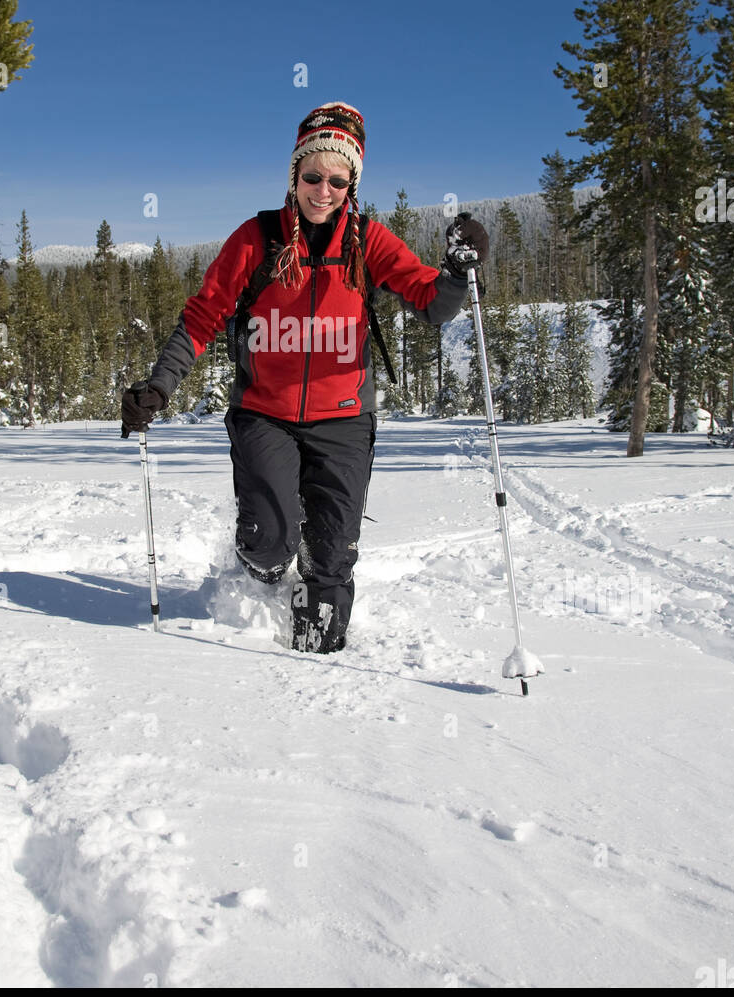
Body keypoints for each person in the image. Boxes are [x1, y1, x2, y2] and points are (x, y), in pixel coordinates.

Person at [121, 102, 489, 653]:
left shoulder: (367, 241)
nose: (324, 190)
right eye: (312, 176)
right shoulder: (256, 239)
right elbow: (203, 316)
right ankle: (258, 580)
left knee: (331, 558)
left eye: (338, 180)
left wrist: (459, 272)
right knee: (271, 542)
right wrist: (159, 385)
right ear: (294, 175)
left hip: (343, 420)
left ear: (352, 183)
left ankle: (316, 679)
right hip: (264, 413)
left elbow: (432, 305)